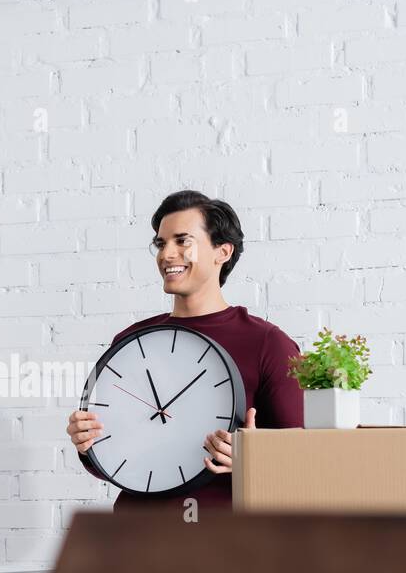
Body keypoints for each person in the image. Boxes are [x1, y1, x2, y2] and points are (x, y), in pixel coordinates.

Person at [67, 189, 303, 512]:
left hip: (225, 542)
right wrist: (87, 444)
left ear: (222, 251)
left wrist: (253, 457)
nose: (167, 254)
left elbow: (307, 459)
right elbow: (112, 460)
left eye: (182, 241)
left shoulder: (267, 343)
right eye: (161, 244)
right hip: (135, 536)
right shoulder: (133, 340)